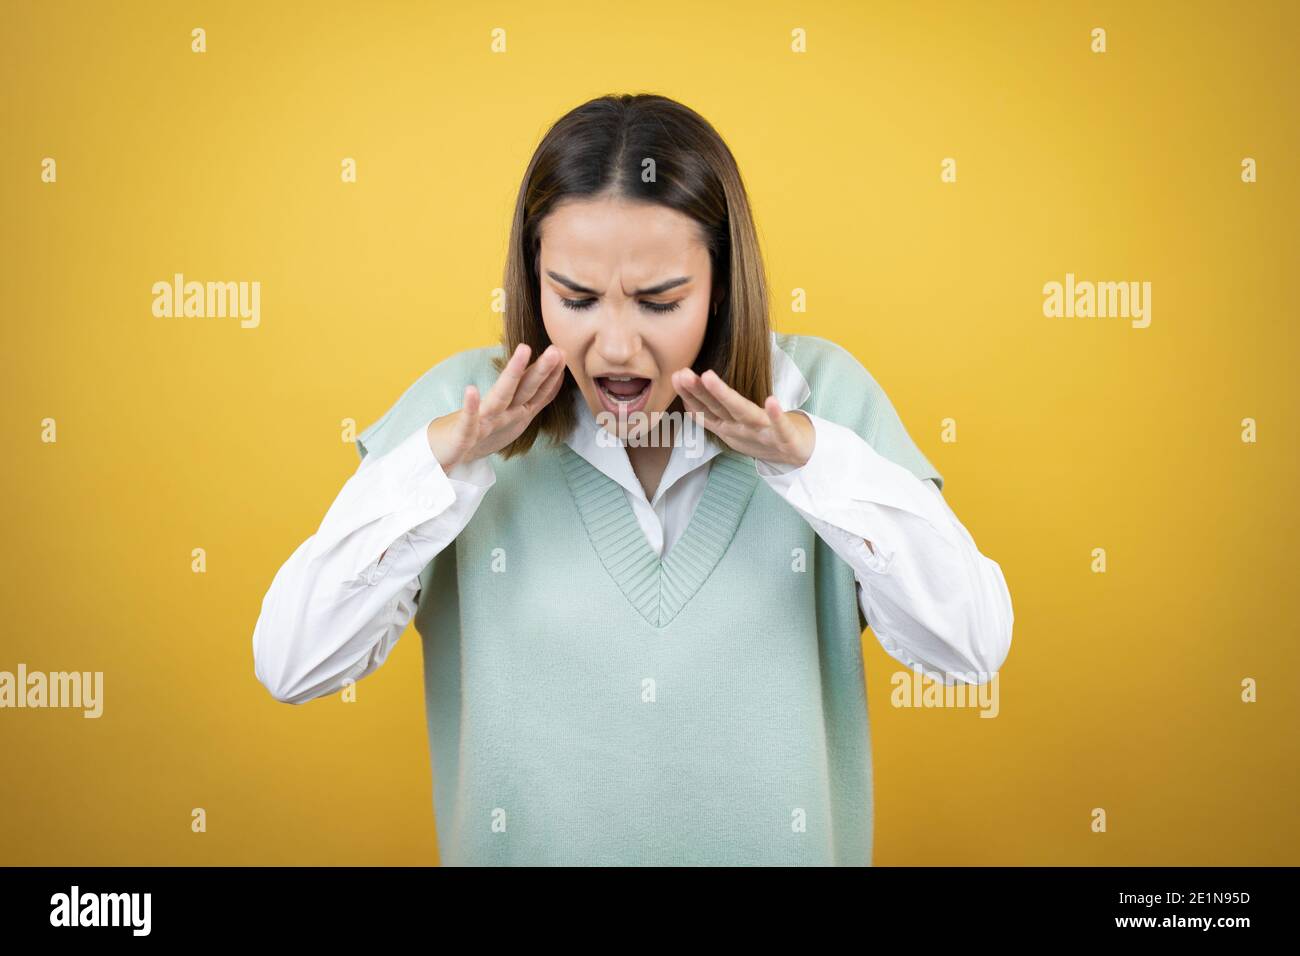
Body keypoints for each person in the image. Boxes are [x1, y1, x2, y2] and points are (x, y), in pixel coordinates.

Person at [251, 92, 1013, 865]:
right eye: (575, 298)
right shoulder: (460, 411)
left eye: (660, 301)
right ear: (531, 279)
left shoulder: (826, 401)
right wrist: (442, 464)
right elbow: (293, 663)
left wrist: (811, 463)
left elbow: (971, 648)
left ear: (721, 288)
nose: (614, 345)